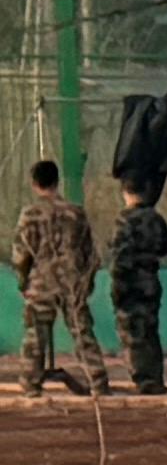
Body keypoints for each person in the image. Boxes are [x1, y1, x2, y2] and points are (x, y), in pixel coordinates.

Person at [12, 163, 89, 393]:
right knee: (82, 332)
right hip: (72, 280)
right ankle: (98, 381)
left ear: (34, 183)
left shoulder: (30, 214)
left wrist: (23, 280)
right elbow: (88, 252)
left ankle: (31, 384)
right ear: (57, 181)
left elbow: (21, 253)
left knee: (36, 334)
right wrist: (86, 281)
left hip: (41, 281)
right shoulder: (76, 213)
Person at [105, 176, 167, 396]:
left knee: (132, 332)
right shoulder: (156, 218)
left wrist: (116, 286)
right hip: (150, 281)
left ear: (125, 192)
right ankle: (156, 377)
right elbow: (164, 248)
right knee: (150, 329)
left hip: (130, 283)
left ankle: (143, 379)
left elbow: (120, 256)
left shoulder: (124, 220)